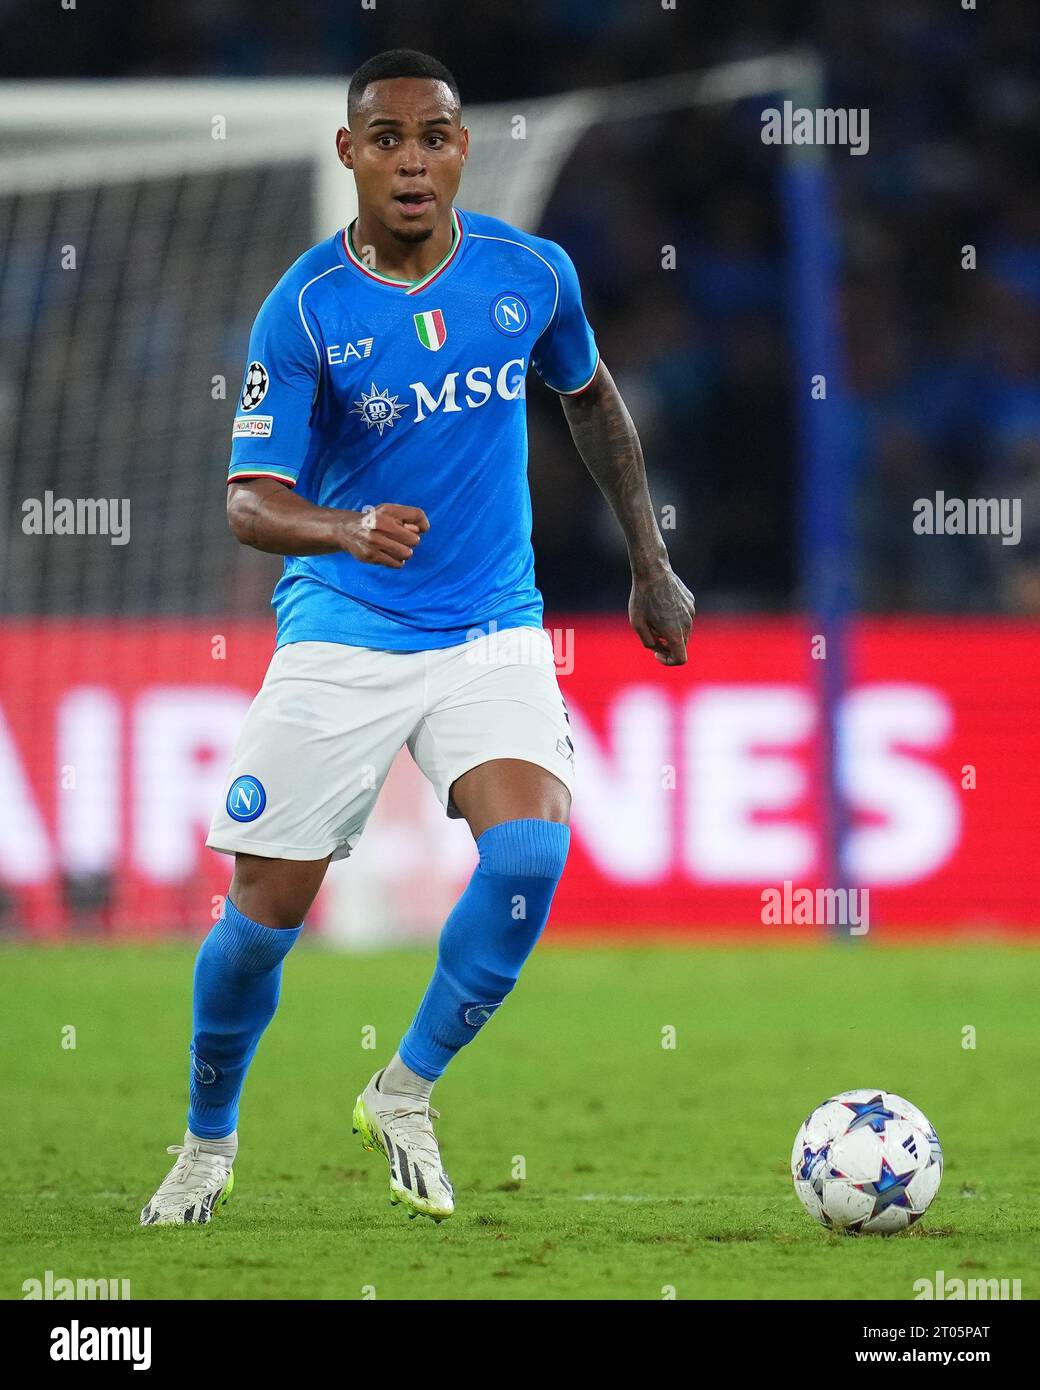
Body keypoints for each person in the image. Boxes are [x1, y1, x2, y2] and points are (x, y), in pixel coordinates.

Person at [141, 48, 694, 1226]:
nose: (411, 159)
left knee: (528, 857)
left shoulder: (529, 274)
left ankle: (402, 1091)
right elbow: (249, 501)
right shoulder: (303, 309)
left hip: (490, 624)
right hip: (343, 627)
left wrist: (650, 564)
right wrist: (341, 527)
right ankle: (206, 1140)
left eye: (433, 137)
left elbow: (589, 400)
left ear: (460, 151)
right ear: (348, 154)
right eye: (385, 138)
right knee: (258, 924)